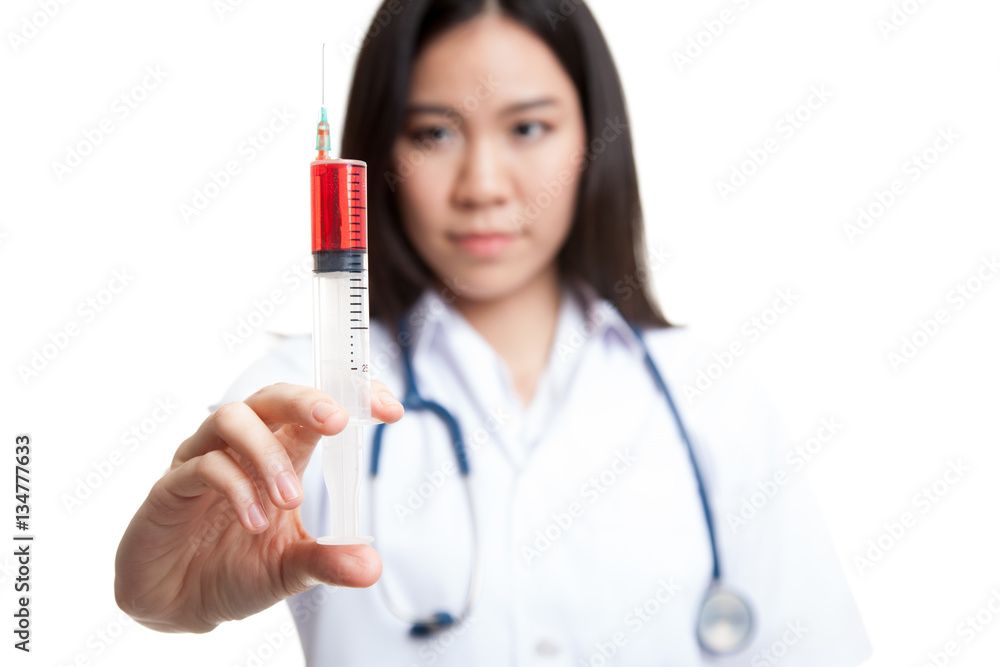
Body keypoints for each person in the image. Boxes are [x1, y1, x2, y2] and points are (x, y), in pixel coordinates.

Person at [115, 0, 872, 664]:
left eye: (528, 127)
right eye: (435, 133)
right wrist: (162, 594)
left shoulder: (712, 400)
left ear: (595, 136)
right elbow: (173, 594)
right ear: (381, 151)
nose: (482, 184)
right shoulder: (297, 404)